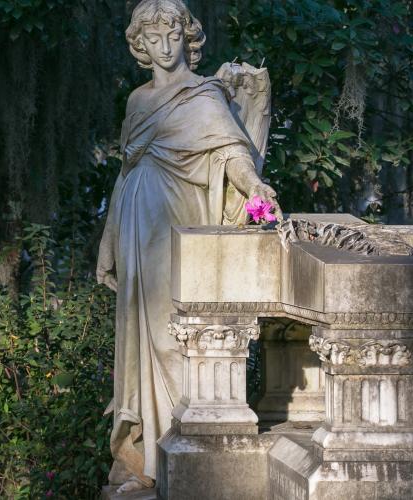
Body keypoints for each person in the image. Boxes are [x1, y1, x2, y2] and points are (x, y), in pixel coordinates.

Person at [96, 0, 279, 492]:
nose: (164, 47)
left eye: (173, 36)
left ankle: (182, 445)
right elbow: (125, 172)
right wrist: (108, 242)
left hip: (180, 222)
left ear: (188, 39)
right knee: (142, 337)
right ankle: (143, 458)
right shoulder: (137, 102)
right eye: (153, 39)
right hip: (137, 227)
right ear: (140, 46)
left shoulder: (203, 95)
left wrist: (253, 187)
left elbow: (232, 151)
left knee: (175, 333)